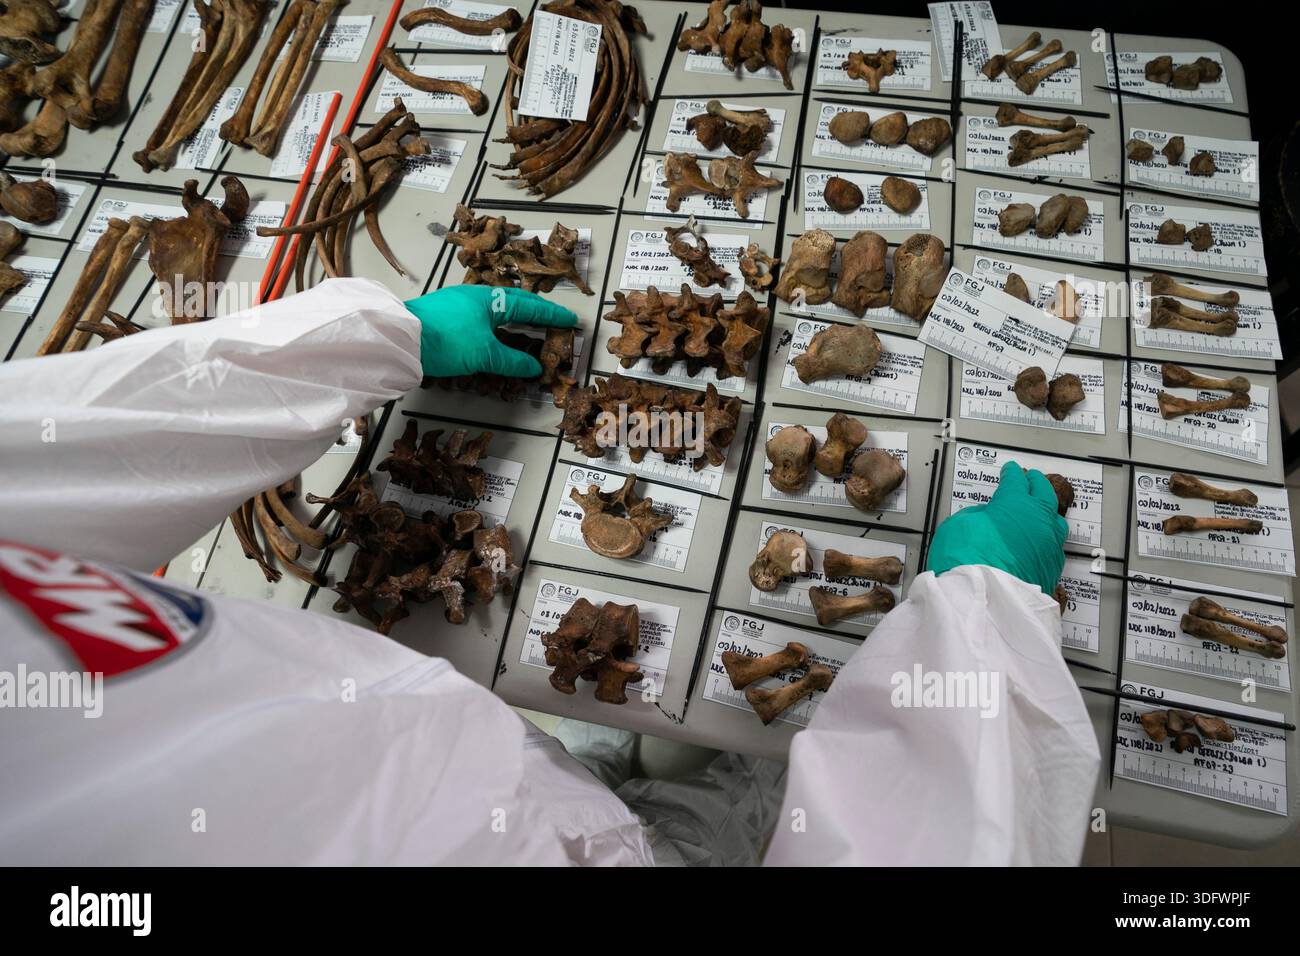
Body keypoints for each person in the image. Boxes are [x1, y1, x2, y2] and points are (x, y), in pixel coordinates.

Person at [0, 278, 1100, 866]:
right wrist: (986, 638)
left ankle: (625, 770)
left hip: (429, 748)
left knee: (561, 764)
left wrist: (369, 338)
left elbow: (66, 441)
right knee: (738, 810)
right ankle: (733, 797)